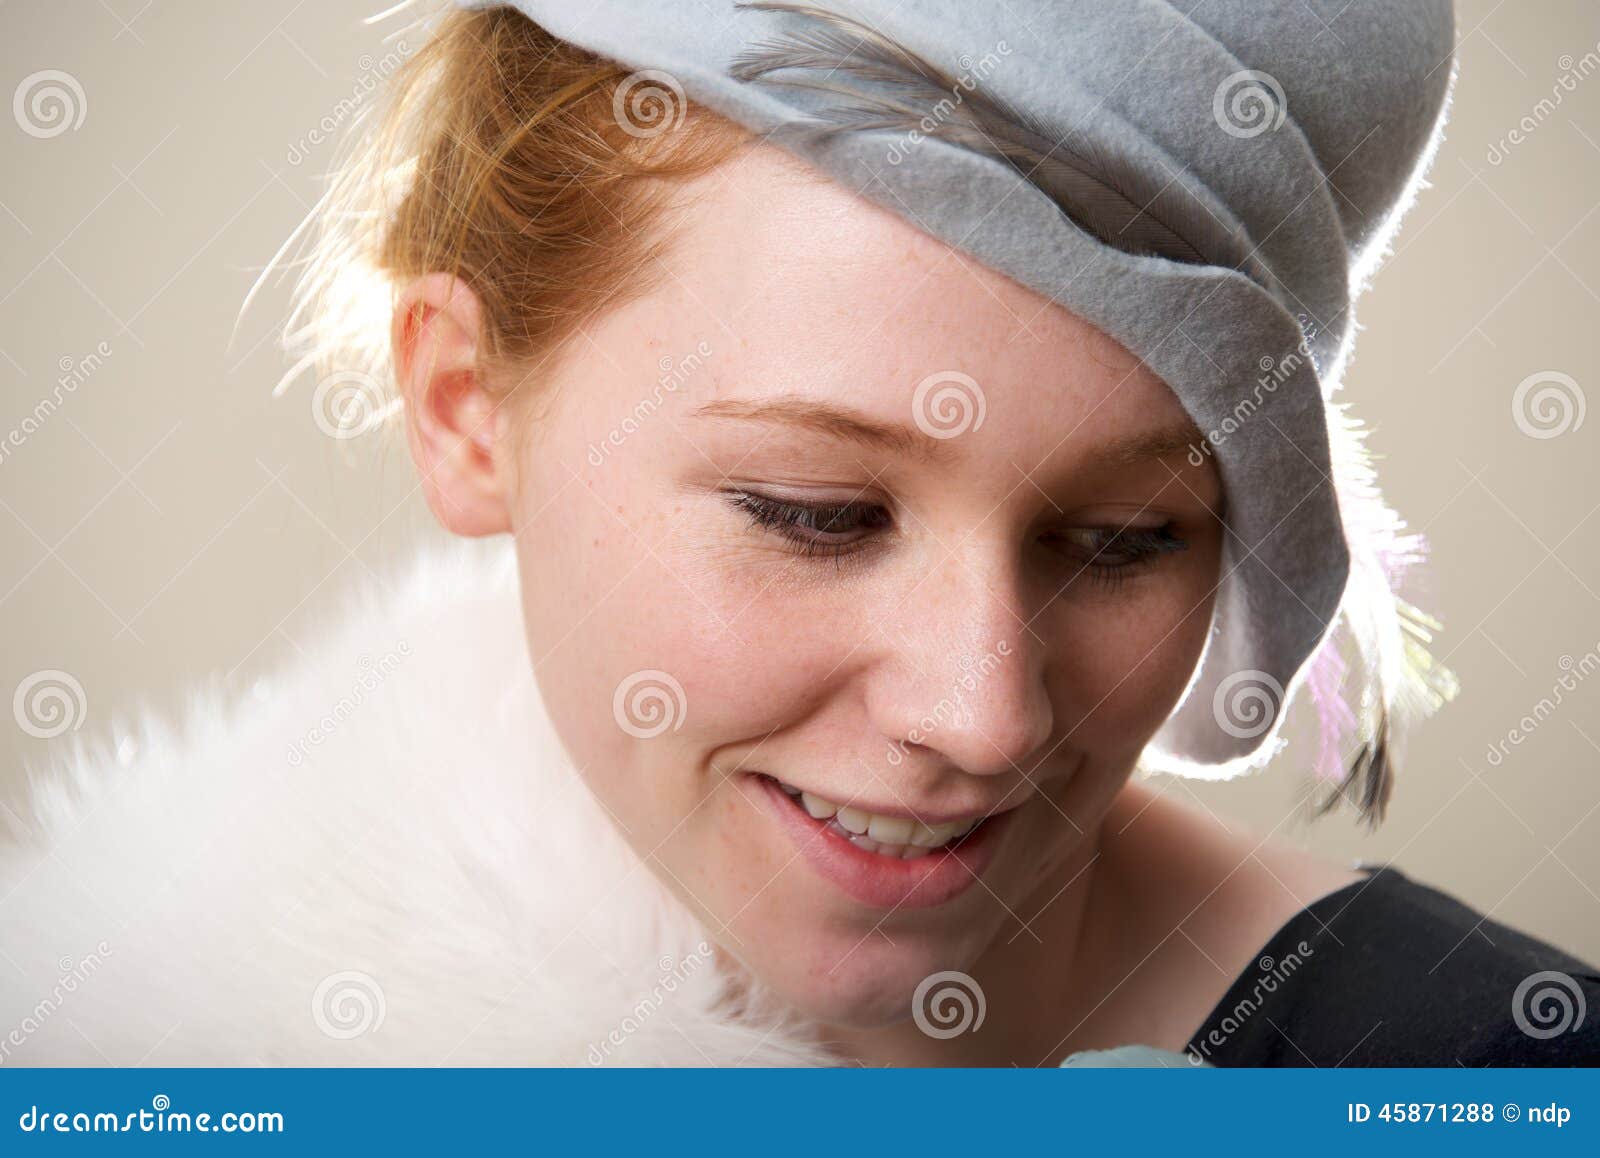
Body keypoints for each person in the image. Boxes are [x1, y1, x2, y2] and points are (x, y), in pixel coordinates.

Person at [1, 0, 1595, 1067]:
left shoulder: (1495, 1070)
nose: (983, 714)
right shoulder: (141, 1024)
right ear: (468, 404)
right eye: (814, 514)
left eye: (1126, 537)